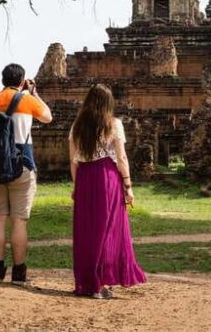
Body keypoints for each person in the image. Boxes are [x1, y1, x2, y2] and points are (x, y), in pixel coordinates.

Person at [69, 84, 147, 299]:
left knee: (87, 232)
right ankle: (101, 282)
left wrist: (77, 186)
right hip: (107, 179)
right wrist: (128, 185)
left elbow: (73, 161)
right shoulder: (113, 124)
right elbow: (121, 158)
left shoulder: (77, 126)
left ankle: (89, 282)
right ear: (108, 103)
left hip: (84, 178)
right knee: (107, 229)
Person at [0, 63, 52, 286]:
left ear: (3, 80)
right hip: (22, 162)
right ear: (21, 81)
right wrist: (34, 93)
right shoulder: (27, 100)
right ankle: (19, 273)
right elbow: (48, 117)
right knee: (19, 221)